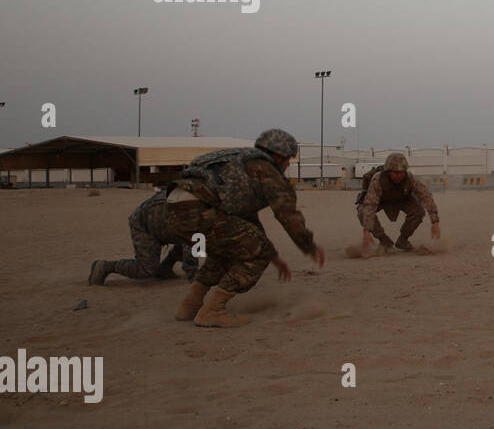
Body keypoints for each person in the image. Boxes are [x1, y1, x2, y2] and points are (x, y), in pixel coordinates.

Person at [169, 129, 324, 327]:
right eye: (287, 160)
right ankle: (213, 310)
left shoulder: (239, 161)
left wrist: (275, 258)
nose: (287, 165)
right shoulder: (265, 168)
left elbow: (246, 224)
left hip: (174, 207)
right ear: (277, 156)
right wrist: (308, 246)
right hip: (200, 209)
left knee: (227, 250)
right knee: (256, 255)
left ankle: (189, 305)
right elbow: (287, 214)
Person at [87, 189, 199, 285]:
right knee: (146, 269)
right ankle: (105, 267)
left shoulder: (201, 196)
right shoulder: (200, 207)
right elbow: (194, 240)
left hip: (165, 223)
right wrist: (194, 274)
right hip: (144, 224)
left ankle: (165, 268)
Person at [356, 153, 440, 252]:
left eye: (401, 172)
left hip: (402, 200)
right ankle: (384, 241)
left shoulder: (409, 178)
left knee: (419, 211)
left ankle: (403, 240)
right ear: (388, 171)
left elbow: (426, 196)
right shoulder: (378, 179)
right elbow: (370, 205)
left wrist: (435, 222)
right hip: (381, 201)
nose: (398, 176)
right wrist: (366, 231)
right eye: (395, 172)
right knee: (362, 211)